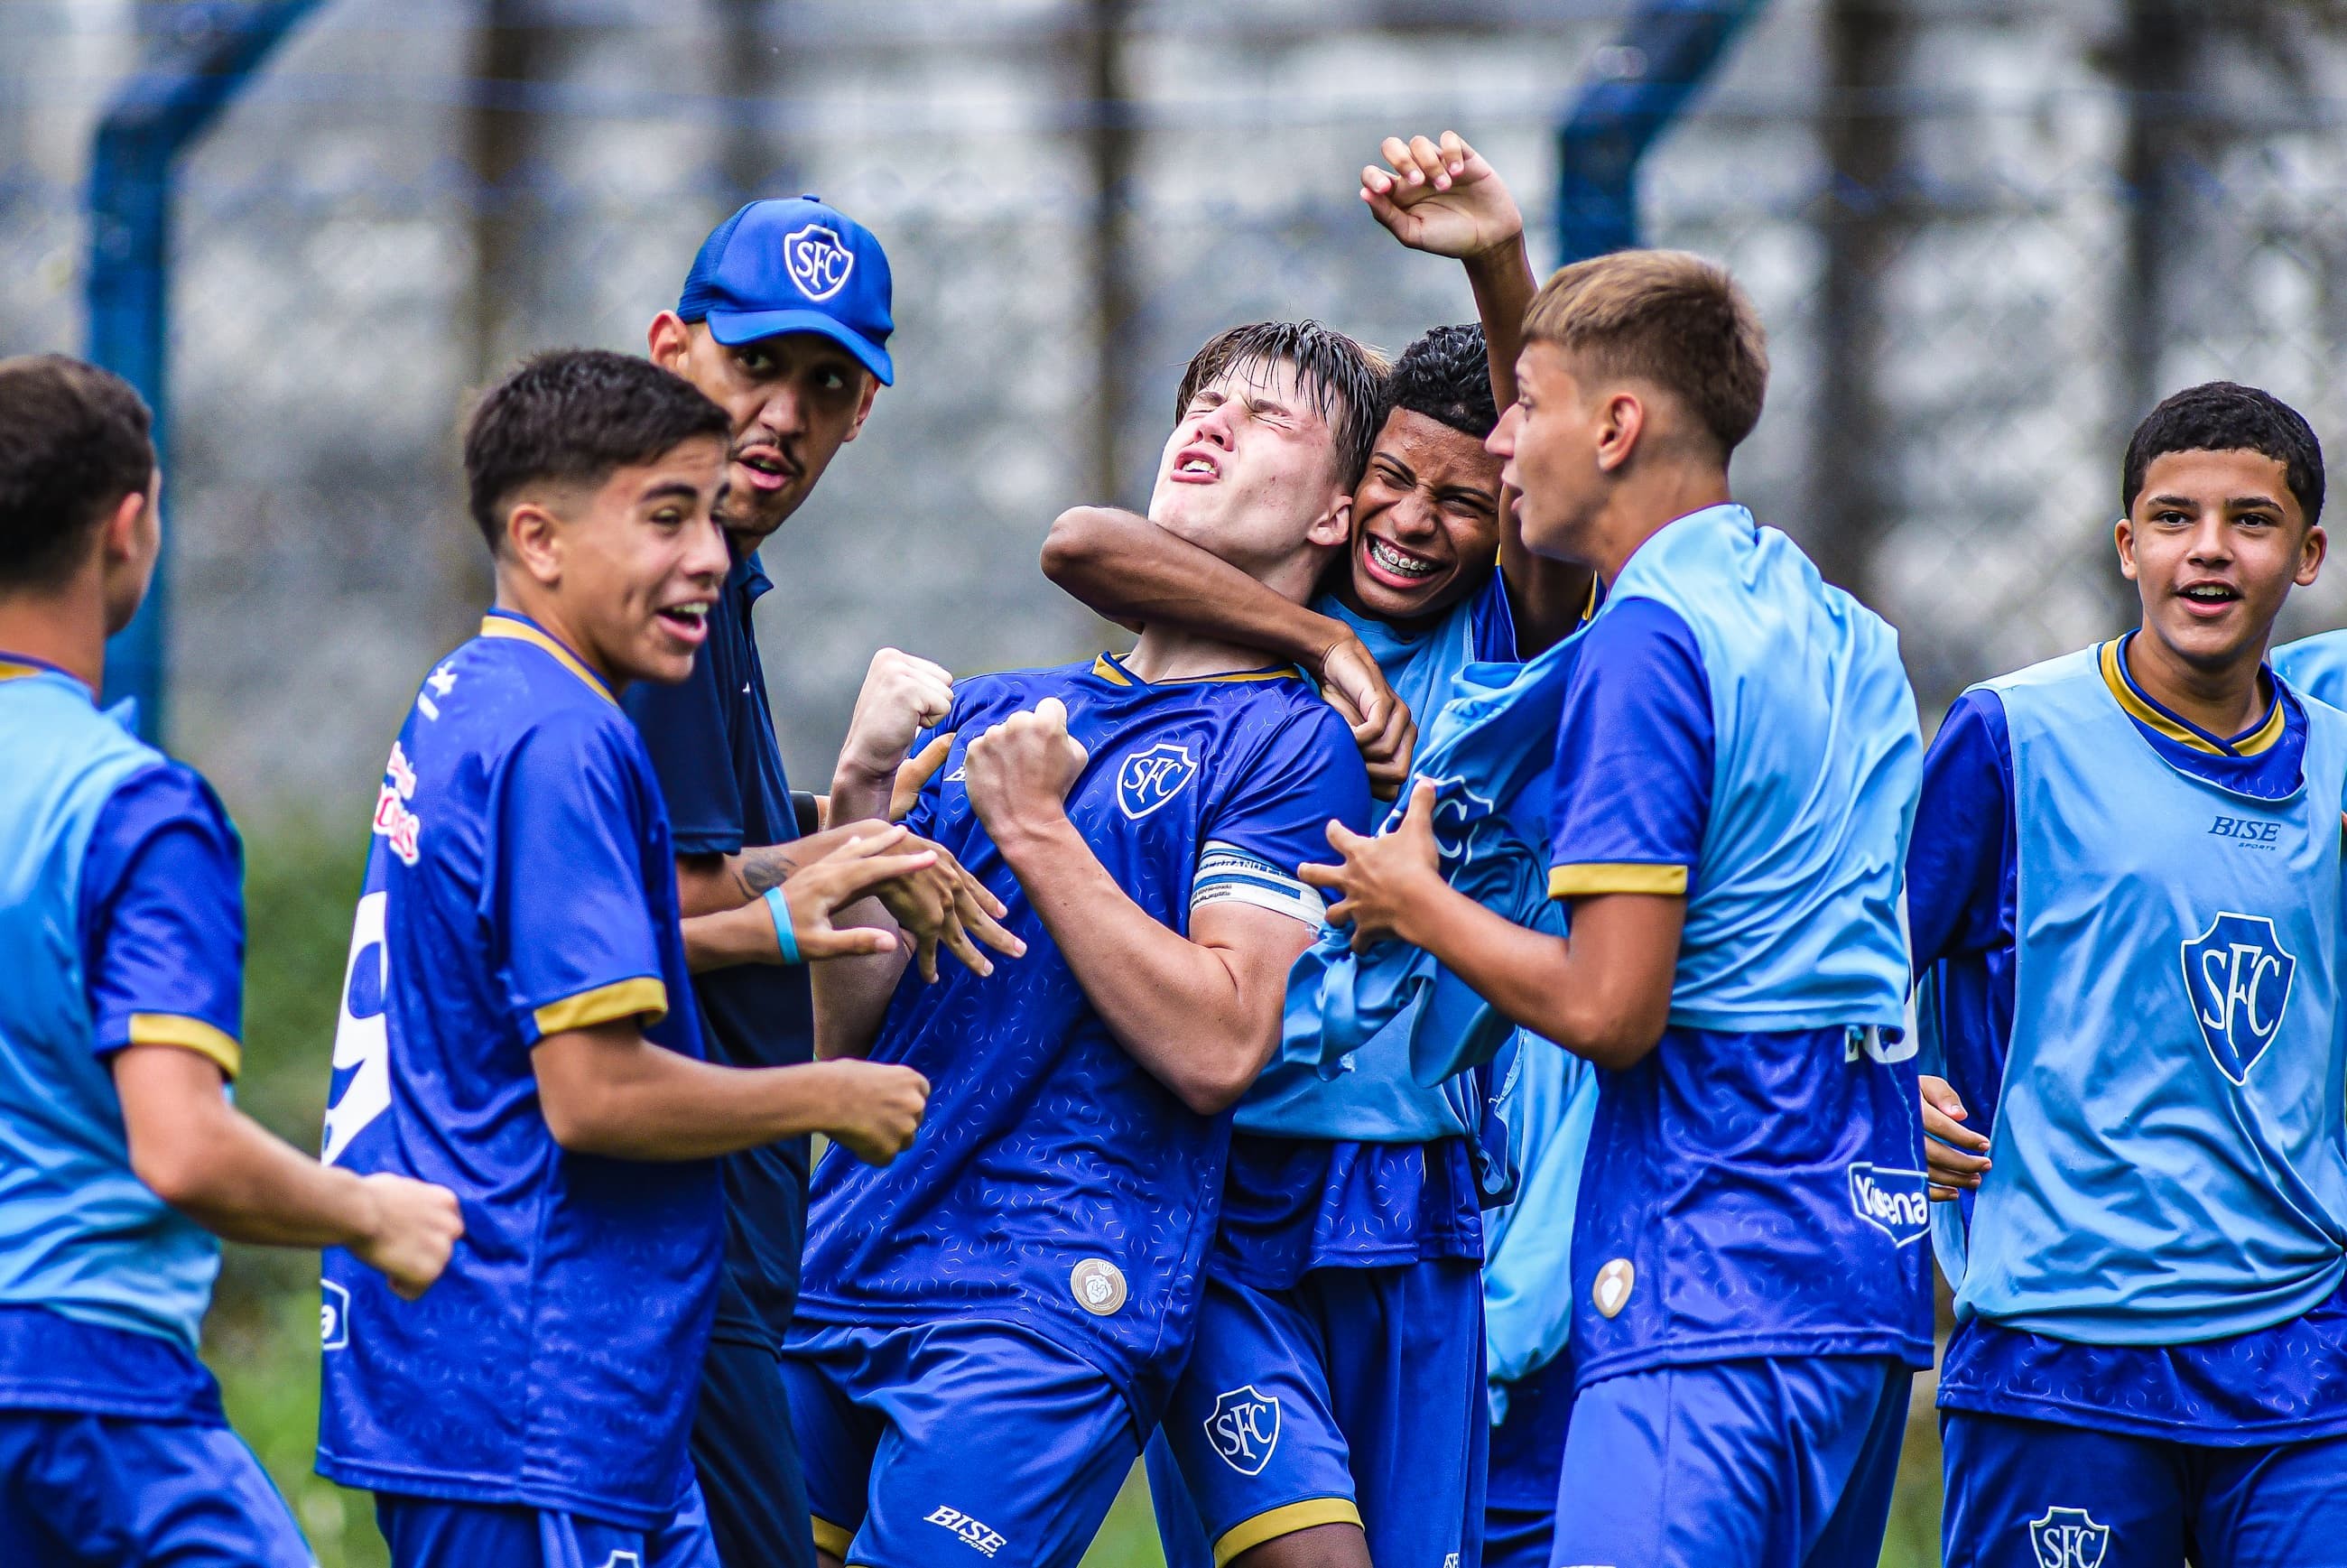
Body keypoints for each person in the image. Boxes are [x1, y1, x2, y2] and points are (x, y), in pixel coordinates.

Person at [1303, 250, 1932, 1568]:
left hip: (1711, 1264)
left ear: (1618, 426)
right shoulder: (1839, 625)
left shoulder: (1648, 640)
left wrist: (1414, 899)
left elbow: (1612, 1008)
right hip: (1862, 1275)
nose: (1503, 440)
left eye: (1524, 402)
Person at [1044, 131, 1593, 1568]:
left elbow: (1550, 476)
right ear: (1345, 500)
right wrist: (1319, 638)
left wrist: (1493, 259)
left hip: (1410, 1186)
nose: (1418, 519)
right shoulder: (1259, 623)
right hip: (1222, 1175)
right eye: (1393, 484)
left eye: (1461, 500)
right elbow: (1088, 542)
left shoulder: (1507, 650)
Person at [313, 348, 934, 1568]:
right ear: (539, 539)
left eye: (709, 514)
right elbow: (591, 1091)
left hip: (534, 1379)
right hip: (527, 1382)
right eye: (665, 517)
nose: (708, 553)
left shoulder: (479, 691)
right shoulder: (560, 740)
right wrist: (830, 1094)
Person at [783, 321, 1381, 1568]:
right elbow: (847, 1027)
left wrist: (1037, 830)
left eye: (1269, 416)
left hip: (1041, 1307)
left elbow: (1221, 1041)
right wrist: (859, 790)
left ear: (1334, 516)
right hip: (842, 1260)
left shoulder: (1291, 744)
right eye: (1203, 401)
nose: (1211, 422)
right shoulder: (1005, 704)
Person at [0, 354, 463, 1564]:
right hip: (82, 1387)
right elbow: (182, 1144)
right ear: (128, 526)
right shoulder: (134, 814)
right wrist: (371, 1214)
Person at [635, 193, 1020, 1568]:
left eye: (828, 385)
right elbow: (660, 904)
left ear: (863, 414)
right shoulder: (656, 596)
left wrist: (855, 805)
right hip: (662, 1244)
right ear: (668, 347)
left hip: (728, 1242)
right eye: (755, 366)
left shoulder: (719, 586)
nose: (783, 416)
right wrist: (841, 853)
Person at [1913, 382, 2347, 1568]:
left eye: (2251, 521)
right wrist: (1889, 1095)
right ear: (2127, 545)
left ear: (2307, 554)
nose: (2209, 549)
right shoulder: (2011, 735)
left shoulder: (2333, 742)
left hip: (2305, 1350)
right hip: (2063, 1353)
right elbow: (1848, 972)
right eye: (2173, 518)